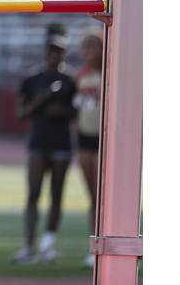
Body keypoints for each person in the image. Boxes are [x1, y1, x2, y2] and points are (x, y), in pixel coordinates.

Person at [12, 26, 78, 264]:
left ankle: (48, 244)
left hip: (61, 141)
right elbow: (20, 112)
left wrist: (64, 111)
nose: (54, 54)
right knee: (33, 193)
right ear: (44, 51)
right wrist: (39, 102)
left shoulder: (71, 80)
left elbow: (78, 111)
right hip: (38, 141)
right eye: (51, 50)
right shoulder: (33, 79)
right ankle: (28, 246)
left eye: (59, 50)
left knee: (57, 195)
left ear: (65, 52)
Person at [73, 27, 104, 268]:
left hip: (103, 139)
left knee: (105, 196)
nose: (90, 51)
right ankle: (93, 248)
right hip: (85, 138)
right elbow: (76, 108)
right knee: (93, 195)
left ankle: (106, 243)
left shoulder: (109, 75)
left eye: (95, 45)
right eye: (87, 46)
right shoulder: (80, 76)